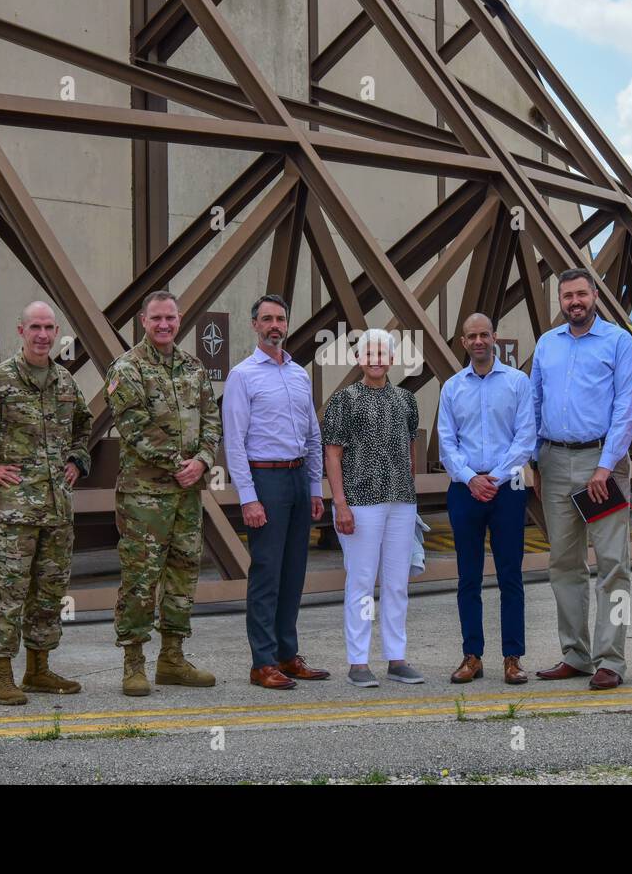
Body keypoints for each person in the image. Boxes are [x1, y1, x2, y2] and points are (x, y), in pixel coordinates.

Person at [0, 301, 93, 705]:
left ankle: (38, 669)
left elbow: (84, 424)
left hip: (57, 509)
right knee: (10, 593)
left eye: (48, 328)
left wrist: (78, 459)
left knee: (49, 592)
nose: (42, 335)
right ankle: (0, 674)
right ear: (20, 331)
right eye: (35, 328)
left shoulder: (64, 382)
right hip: (14, 512)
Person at [104, 290, 221, 694]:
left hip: (188, 494)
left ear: (180, 318)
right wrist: (180, 464)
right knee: (140, 577)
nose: (164, 325)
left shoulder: (194, 368)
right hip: (144, 497)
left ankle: (172, 657)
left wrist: (203, 461)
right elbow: (134, 426)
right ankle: (133, 661)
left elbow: (211, 420)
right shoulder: (127, 368)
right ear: (143, 320)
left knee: (184, 572)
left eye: (170, 318)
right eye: (156, 318)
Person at [530, 269, 632, 689]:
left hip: (601, 462)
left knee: (612, 563)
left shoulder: (618, 342)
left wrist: (605, 466)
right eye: (567, 295)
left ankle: (610, 659)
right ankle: (575, 655)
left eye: (581, 294)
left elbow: (627, 409)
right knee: (564, 562)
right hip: (555, 461)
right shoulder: (547, 343)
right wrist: (534, 461)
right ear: (560, 300)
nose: (574, 301)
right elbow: (535, 401)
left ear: (594, 296)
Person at [223, 294, 329, 690]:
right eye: (266, 319)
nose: (274, 326)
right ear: (254, 325)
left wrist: (314, 486)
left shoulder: (299, 375)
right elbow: (234, 442)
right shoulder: (243, 376)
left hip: (298, 478)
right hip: (264, 480)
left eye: (280, 319)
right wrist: (248, 498)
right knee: (267, 573)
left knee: (294, 572)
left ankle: (287, 654)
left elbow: (312, 434)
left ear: (287, 324)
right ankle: (262, 662)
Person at [437, 313, 536, 685]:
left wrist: (492, 478)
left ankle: (513, 657)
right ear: (463, 342)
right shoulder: (452, 388)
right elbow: (447, 443)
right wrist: (470, 479)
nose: (478, 341)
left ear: (494, 337)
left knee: (511, 575)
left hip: (506, 488)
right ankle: (472, 655)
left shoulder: (517, 383)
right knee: (469, 578)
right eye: (471, 336)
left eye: (484, 334)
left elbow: (525, 438)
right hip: (465, 490)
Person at [322, 329, 423, 688]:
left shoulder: (406, 401)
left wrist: (410, 496)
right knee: (362, 582)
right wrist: (340, 504)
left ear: (392, 359)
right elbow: (332, 454)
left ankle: (397, 657)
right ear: (359, 359)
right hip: (361, 502)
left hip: (400, 502)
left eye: (382, 353)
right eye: (369, 353)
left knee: (397, 584)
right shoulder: (344, 401)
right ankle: (358, 661)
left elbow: (410, 452)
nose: (376, 359)